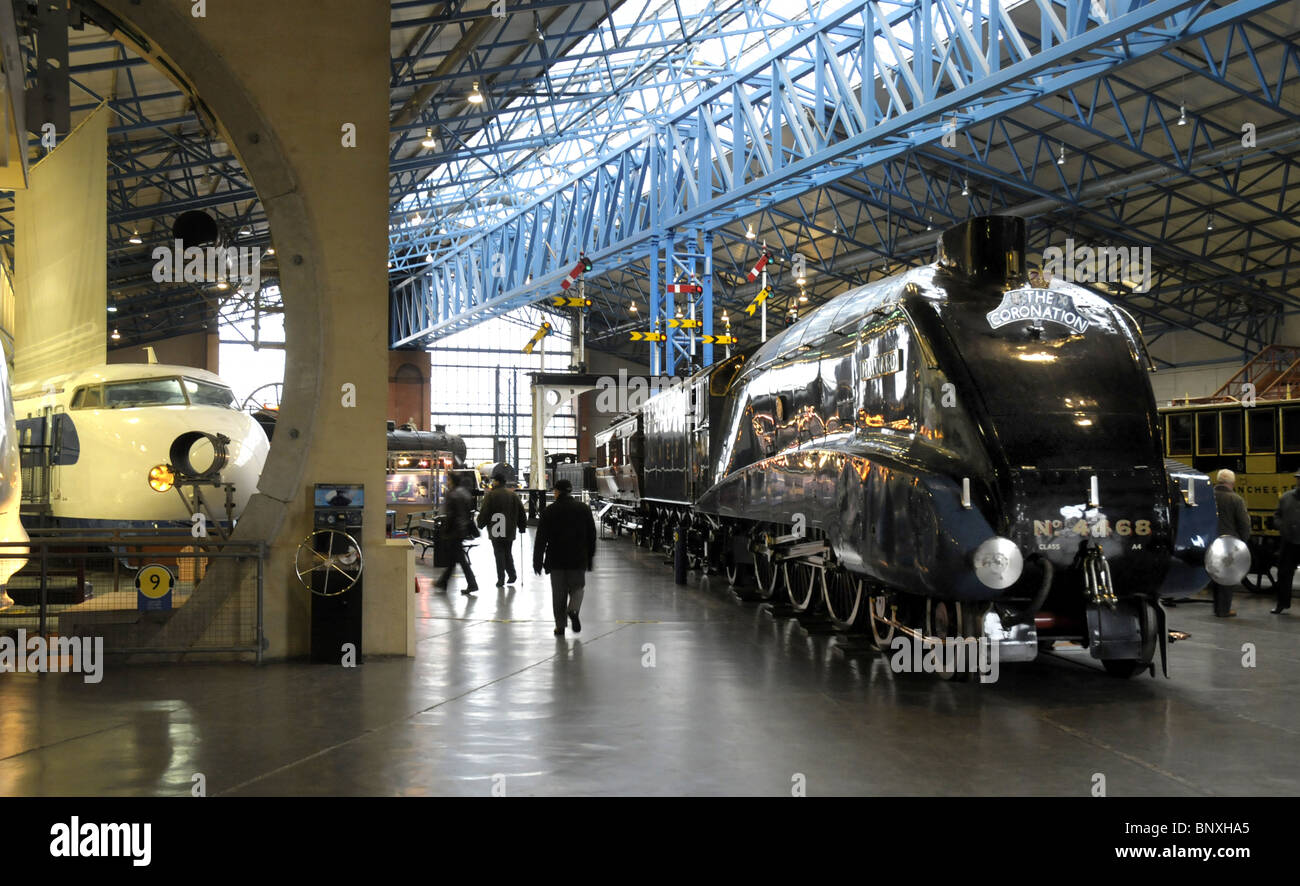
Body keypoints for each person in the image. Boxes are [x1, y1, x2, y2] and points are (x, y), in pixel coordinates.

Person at [532, 479, 597, 636]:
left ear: (557, 492)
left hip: (556, 559)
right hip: (578, 557)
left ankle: (560, 627)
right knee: (578, 588)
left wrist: (537, 561)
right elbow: (592, 536)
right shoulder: (583, 509)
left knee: (558, 594)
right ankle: (573, 610)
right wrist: (590, 557)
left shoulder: (549, 511)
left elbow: (541, 539)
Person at [476, 470, 528, 587]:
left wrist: (480, 524)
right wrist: (522, 526)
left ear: (497, 482)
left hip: (496, 529)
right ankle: (512, 574)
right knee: (507, 552)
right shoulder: (513, 495)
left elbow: (485, 512)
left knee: (499, 553)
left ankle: (501, 579)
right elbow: (521, 512)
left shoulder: (491, 495)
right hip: (509, 529)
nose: (492, 483)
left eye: (493, 481)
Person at [1210, 469, 1250, 617]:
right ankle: (1223, 609)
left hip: (1212, 541)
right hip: (1229, 544)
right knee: (1227, 576)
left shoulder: (1208, 497)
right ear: (1232, 483)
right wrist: (1242, 544)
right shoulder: (1235, 499)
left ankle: (1217, 607)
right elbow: (1244, 524)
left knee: (1215, 573)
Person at [434, 472, 479, 595]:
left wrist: (445, 530)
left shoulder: (452, 495)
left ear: (452, 481)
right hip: (462, 530)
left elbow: (451, 516)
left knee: (460, 560)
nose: (447, 482)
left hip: (454, 531)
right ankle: (442, 582)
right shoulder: (465, 493)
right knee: (454, 559)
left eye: (448, 480)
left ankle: (472, 584)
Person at [1272, 469, 1300, 614]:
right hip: (1289, 542)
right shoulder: (1286, 497)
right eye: (1298, 479)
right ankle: (1282, 604)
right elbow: (1277, 515)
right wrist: (1281, 526)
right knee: (1283, 573)